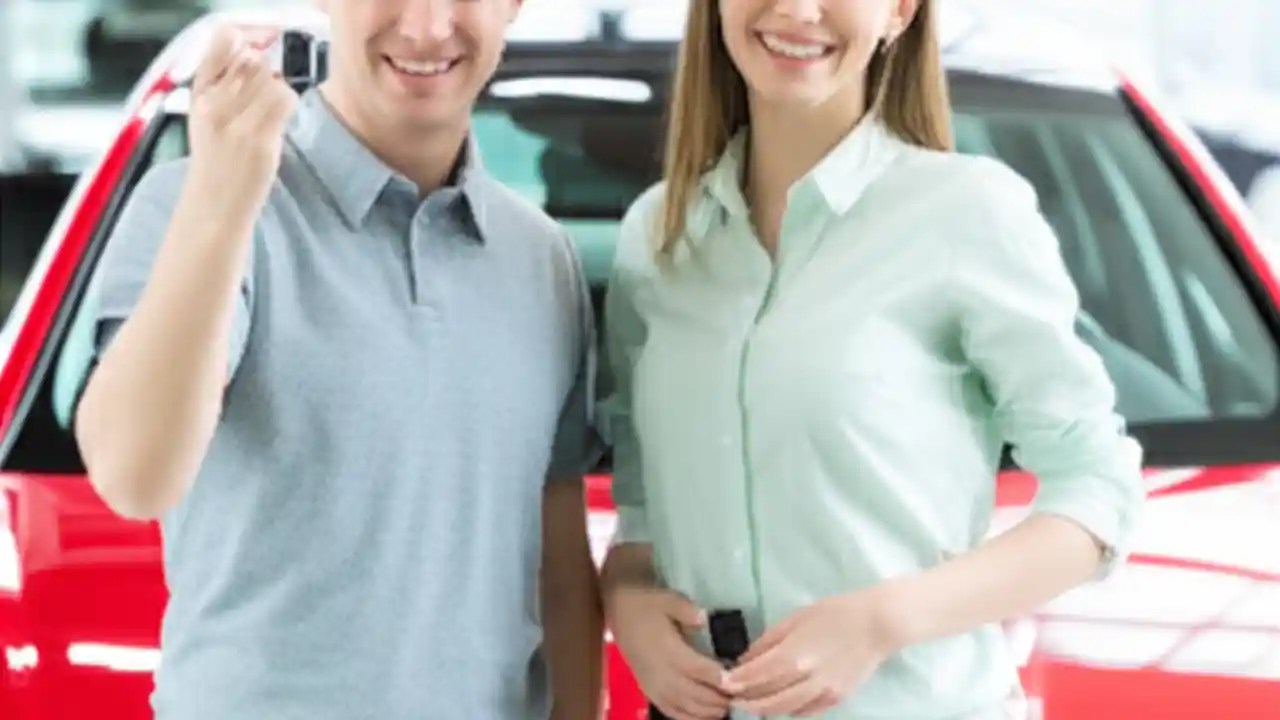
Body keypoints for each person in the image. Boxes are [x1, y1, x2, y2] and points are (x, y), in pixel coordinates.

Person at [598, 1, 1146, 719]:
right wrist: (630, 598)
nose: (798, 10)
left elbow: (1098, 487)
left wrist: (882, 620)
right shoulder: (657, 236)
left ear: (899, 11)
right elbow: (641, 510)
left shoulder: (968, 213)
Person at [71, 2, 601, 718]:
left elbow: (561, 576)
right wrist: (224, 199)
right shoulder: (191, 205)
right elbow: (134, 476)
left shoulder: (543, 259)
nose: (425, 27)